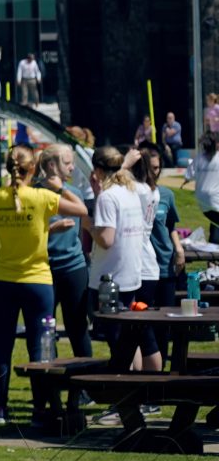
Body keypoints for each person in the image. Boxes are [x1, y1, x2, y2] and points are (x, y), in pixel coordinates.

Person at [0, 145, 70, 424]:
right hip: (37, 282)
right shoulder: (43, 197)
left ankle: (1, 409)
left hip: (3, 281)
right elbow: (79, 209)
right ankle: (39, 409)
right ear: (33, 169)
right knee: (40, 347)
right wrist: (58, 188)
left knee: (2, 346)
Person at [87, 147, 159, 372]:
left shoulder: (108, 197)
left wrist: (88, 225)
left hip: (109, 280)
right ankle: (133, 393)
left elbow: (107, 239)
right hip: (130, 276)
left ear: (98, 170)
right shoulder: (131, 192)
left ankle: (124, 395)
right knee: (128, 341)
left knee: (119, 344)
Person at [46, 134, 98, 359]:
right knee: (45, 328)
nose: (72, 167)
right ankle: (50, 386)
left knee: (77, 327)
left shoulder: (74, 194)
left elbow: (86, 220)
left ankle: (83, 388)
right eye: (67, 163)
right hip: (44, 268)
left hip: (73, 267)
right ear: (51, 165)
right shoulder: (35, 194)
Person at [136, 142, 182, 307]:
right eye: (149, 167)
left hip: (164, 263)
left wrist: (179, 249)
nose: (152, 172)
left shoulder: (166, 195)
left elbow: (171, 226)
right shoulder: (133, 192)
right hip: (141, 266)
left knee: (165, 317)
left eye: (156, 168)